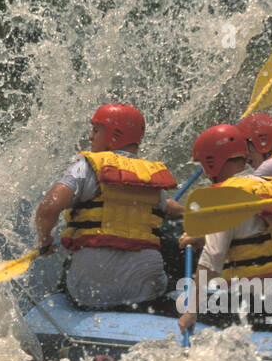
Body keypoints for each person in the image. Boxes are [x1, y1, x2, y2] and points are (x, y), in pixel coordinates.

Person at [33, 103, 183, 310]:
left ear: (114, 135)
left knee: (67, 266)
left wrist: (44, 239)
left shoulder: (85, 166)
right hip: (144, 291)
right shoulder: (150, 175)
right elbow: (167, 207)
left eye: (96, 130)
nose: (90, 137)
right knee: (170, 245)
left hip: (90, 291)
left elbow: (49, 207)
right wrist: (187, 211)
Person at [177, 124, 272, 336]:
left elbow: (212, 257)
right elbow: (253, 230)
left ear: (211, 163)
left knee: (175, 301)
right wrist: (205, 236)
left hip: (255, 307)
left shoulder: (222, 197)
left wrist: (190, 311)